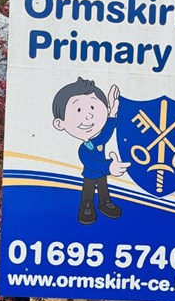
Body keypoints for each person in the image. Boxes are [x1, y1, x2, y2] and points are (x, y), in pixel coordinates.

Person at [52, 77, 130, 225]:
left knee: (103, 188)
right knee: (88, 191)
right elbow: (92, 163)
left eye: (93, 108)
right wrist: (109, 167)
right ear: (60, 123)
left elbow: (106, 133)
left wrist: (112, 114)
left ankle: (104, 203)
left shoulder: (97, 140)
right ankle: (86, 206)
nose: (88, 116)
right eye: (79, 110)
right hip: (91, 174)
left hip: (102, 174)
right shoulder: (83, 149)